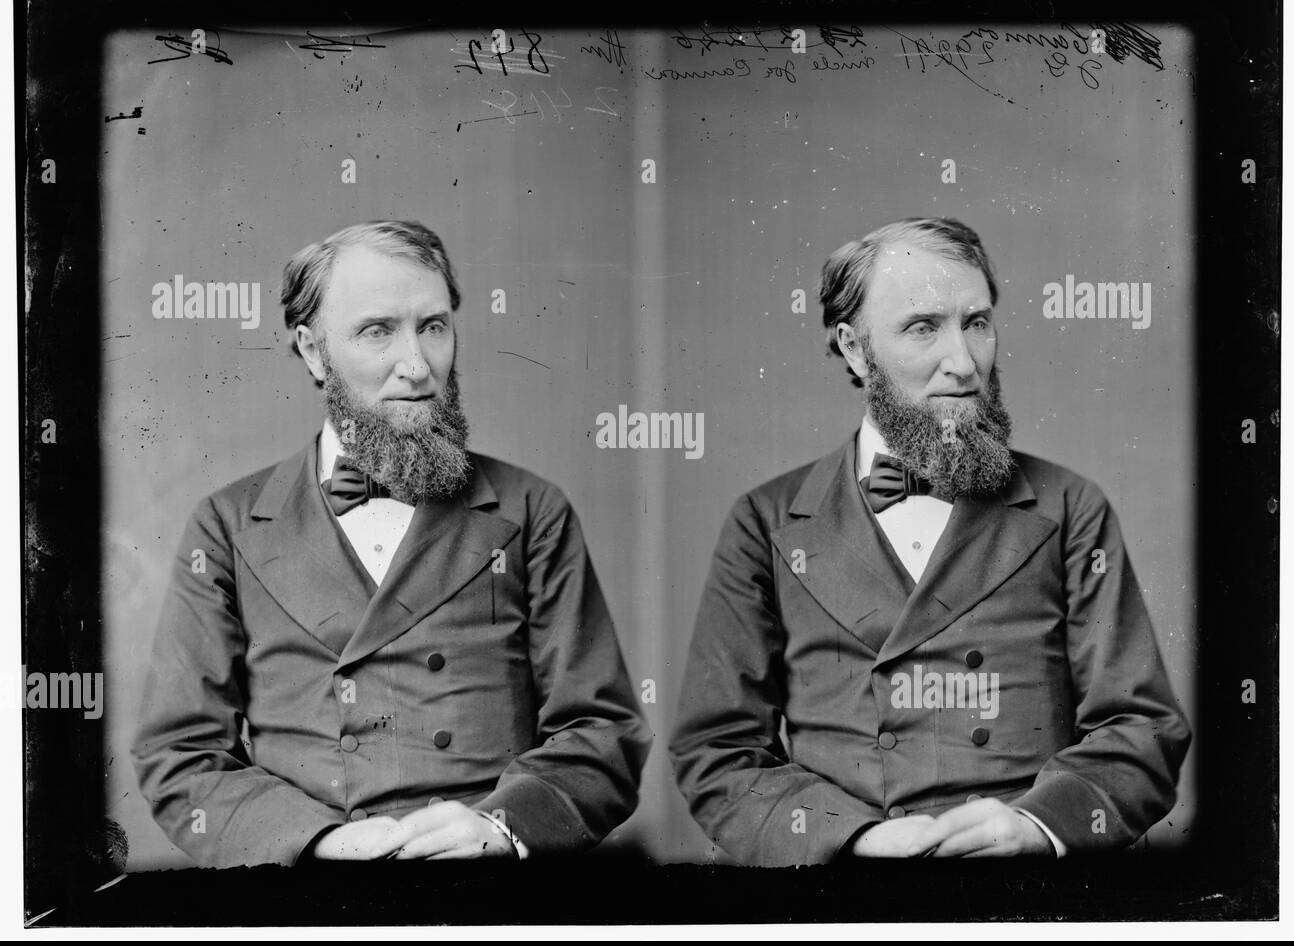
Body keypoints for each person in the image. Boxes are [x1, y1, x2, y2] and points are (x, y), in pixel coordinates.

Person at [670, 217, 1191, 865]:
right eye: (923, 327)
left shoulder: (1069, 507)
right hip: (846, 891)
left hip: (1031, 889)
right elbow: (716, 750)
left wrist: (1038, 825)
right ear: (855, 349)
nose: (964, 362)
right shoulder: (767, 522)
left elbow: (1140, 726)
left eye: (977, 322)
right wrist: (857, 836)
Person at [133, 220, 649, 867]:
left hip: (494, 885)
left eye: (433, 326)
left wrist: (502, 824)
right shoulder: (228, 525)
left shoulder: (531, 509)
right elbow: (178, 751)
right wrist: (319, 839)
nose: (417, 364)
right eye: (378, 330)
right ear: (314, 351)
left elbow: (602, 729)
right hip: (308, 892)